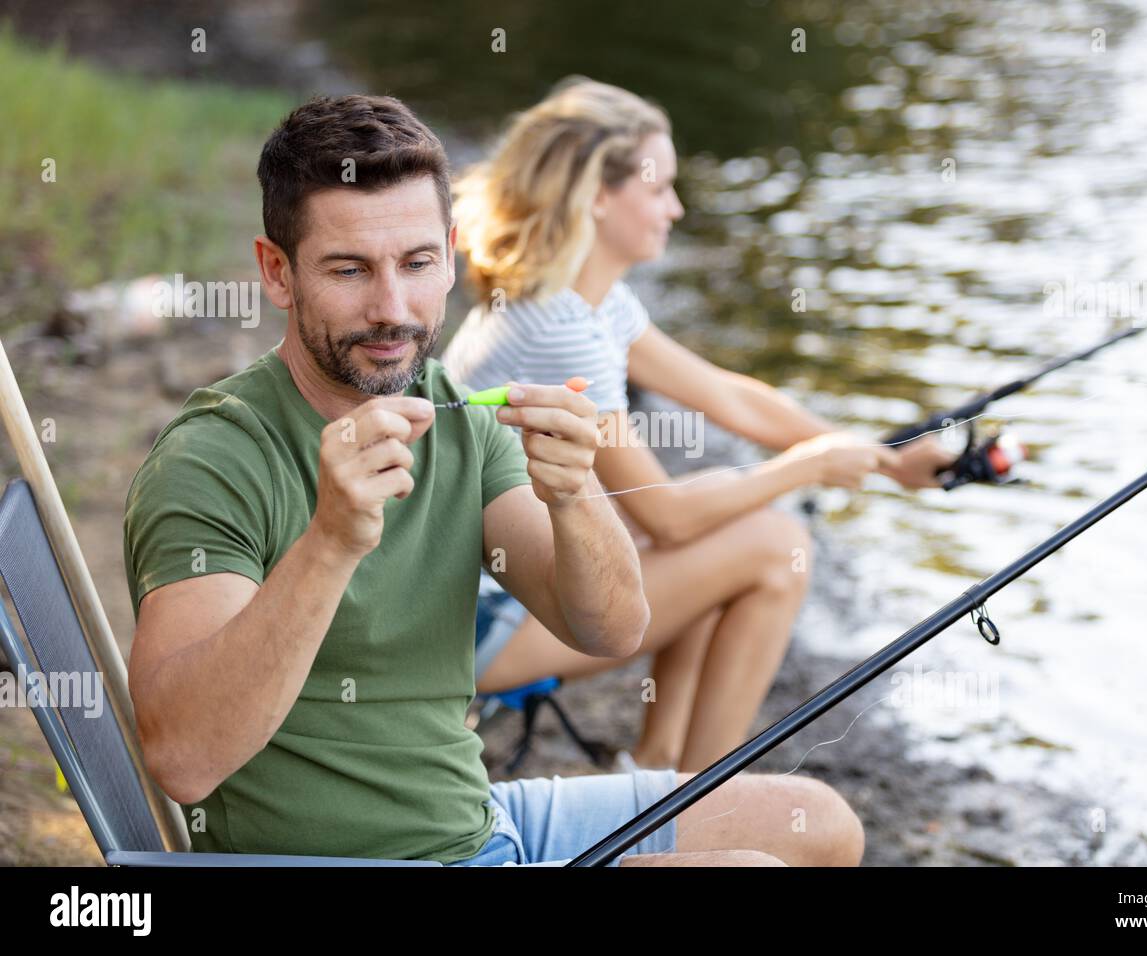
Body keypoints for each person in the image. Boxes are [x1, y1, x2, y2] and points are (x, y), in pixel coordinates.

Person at [122, 93, 865, 866]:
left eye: (415, 264)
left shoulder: (458, 413)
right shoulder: (213, 458)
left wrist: (577, 494)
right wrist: (332, 540)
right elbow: (184, 759)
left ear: (448, 254)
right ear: (277, 273)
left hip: (476, 821)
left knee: (819, 822)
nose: (392, 308)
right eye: (349, 270)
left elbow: (610, 629)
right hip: (369, 857)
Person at [442, 78, 956, 773]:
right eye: (660, 189)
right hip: (472, 628)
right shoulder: (561, 329)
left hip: (496, 600)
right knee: (774, 546)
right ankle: (700, 809)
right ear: (597, 192)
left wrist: (886, 459)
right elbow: (669, 520)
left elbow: (729, 397)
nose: (675, 208)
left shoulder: (584, 302)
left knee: (735, 516)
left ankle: (657, 778)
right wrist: (806, 467)